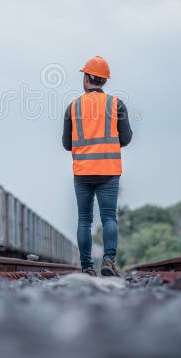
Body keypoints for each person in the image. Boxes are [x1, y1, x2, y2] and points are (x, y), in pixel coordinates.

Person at [62, 56, 132, 277]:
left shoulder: (72, 107)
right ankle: (109, 260)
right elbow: (127, 137)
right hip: (109, 170)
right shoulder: (116, 104)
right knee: (109, 217)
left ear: (86, 78)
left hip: (83, 171)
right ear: (104, 80)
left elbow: (66, 144)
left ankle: (87, 267)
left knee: (84, 219)